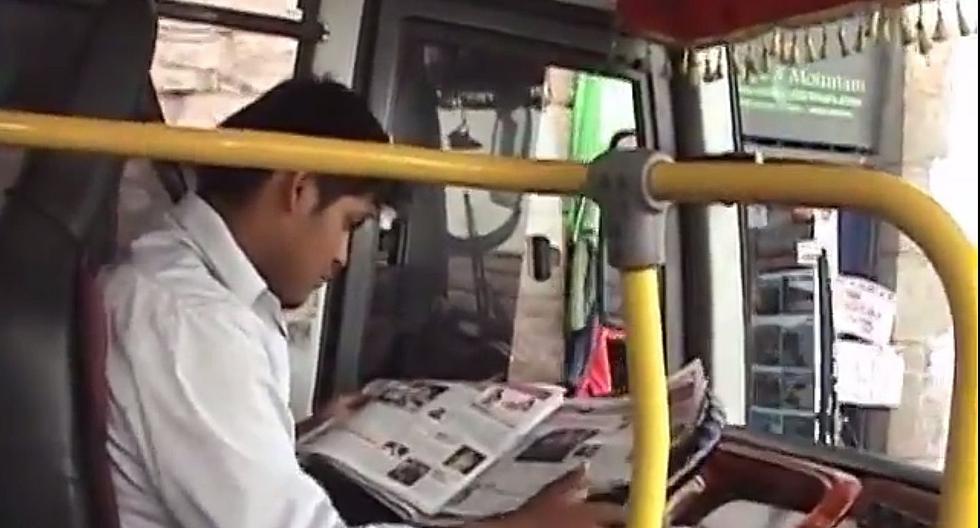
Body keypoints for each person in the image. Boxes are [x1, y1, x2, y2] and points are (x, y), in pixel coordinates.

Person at [104, 77, 624, 528]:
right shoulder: (193, 323)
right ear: (300, 191)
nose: (341, 256)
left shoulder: (201, 294)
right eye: (349, 225)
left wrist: (309, 433)